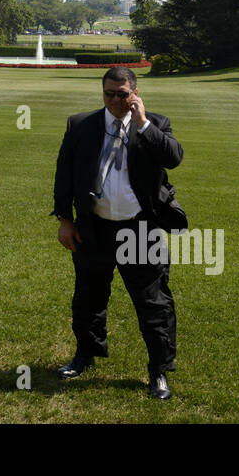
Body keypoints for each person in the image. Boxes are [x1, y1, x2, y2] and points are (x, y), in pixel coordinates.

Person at [50, 65, 185, 399]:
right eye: (108, 93)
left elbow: (174, 157)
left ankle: (158, 371)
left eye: (122, 94)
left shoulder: (155, 123)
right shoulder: (81, 124)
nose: (114, 100)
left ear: (134, 93)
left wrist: (141, 122)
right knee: (88, 297)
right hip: (93, 228)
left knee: (153, 303)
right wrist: (65, 220)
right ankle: (85, 354)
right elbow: (64, 174)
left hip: (140, 229)